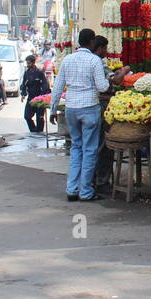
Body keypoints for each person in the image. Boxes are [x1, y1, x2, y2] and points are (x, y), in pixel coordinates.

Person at [51, 28, 111, 201]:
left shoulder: (68, 59)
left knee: (76, 148)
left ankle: (72, 189)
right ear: (92, 43)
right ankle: (85, 192)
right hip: (89, 108)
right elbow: (102, 87)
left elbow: (58, 86)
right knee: (90, 150)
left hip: (71, 108)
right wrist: (110, 80)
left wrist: (53, 109)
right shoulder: (94, 60)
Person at [21, 54, 51, 133]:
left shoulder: (39, 73)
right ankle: (33, 130)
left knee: (40, 117)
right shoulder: (26, 73)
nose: (27, 65)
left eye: (29, 63)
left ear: (33, 63)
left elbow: (45, 84)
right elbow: (24, 84)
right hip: (31, 97)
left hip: (39, 97)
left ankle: (39, 131)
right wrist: (23, 94)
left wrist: (45, 95)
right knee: (27, 116)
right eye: (27, 63)